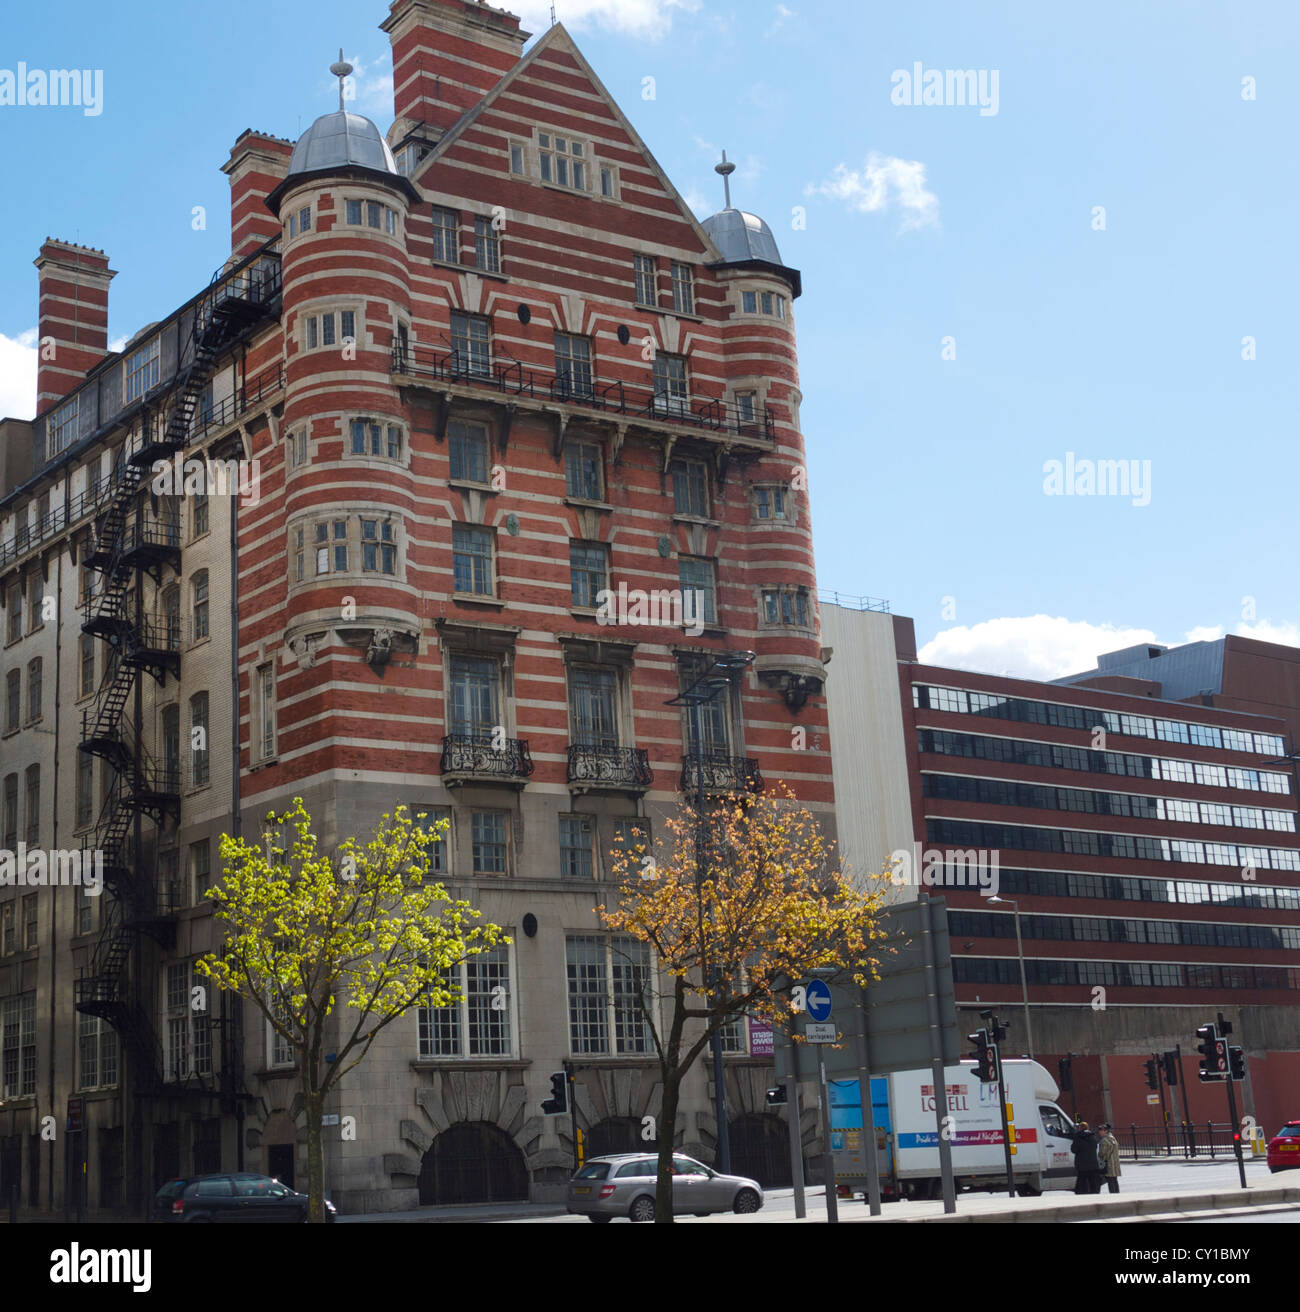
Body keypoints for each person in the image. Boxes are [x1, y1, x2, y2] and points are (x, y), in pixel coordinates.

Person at [1071, 1119, 1102, 1193]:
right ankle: (1093, 1194)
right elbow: (1095, 1147)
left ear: (1080, 1128)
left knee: (1082, 1183)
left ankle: (1083, 1195)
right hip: (1093, 1164)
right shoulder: (1093, 1137)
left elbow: (1073, 1150)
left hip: (1082, 1165)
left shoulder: (1077, 1137)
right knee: (1093, 1183)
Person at [1098, 1123, 1121, 1193]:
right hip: (1115, 1163)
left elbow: (1102, 1153)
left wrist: (1099, 1156)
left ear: (1105, 1131)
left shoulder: (1104, 1140)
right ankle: (1117, 1194)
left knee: (1110, 1181)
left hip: (1109, 1164)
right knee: (1114, 1180)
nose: (1100, 1132)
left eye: (1101, 1130)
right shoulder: (1113, 1138)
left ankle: (1113, 1196)